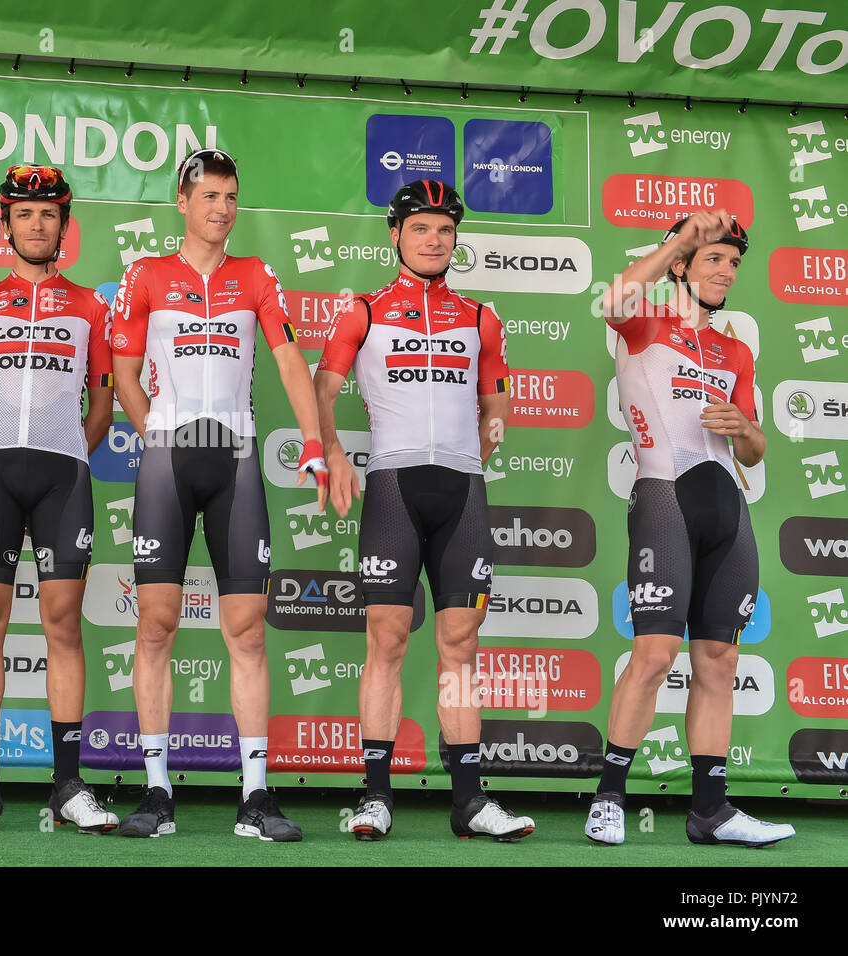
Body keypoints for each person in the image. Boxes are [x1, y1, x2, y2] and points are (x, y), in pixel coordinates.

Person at [109, 148, 327, 840]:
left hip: (236, 459)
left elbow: (291, 361)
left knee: (247, 631)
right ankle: (156, 792)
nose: (222, 209)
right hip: (170, 462)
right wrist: (155, 435)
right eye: (208, 197)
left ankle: (256, 798)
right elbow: (120, 369)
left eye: (231, 197)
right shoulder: (145, 275)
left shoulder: (257, 276)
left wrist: (315, 444)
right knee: (156, 626)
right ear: (182, 201)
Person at [315, 180, 534, 842]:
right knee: (385, 639)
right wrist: (333, 453)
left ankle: (469, 800)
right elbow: (323, 389)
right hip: (393, 488)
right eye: (420, 229)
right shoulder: (363, 310)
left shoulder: (480, 317)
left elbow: (497, 403)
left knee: (460, 645)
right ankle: (375, 796)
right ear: (395, 236)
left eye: (443, 229)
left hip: (463, 489)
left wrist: (481, 455)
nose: (433, 240)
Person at [586, 211, 795, 847]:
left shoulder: (735, 349)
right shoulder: (646, 323)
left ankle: (711, 811)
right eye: (713, 259)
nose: (726, 270)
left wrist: (747, 428)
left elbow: (756, 451)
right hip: (662, 498)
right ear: (680, 265)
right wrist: (677, 240)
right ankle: (610, 798)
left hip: (727, 508)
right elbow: (612, 300)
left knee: (720, 658)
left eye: (733, 262)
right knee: (653, 655)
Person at [0, 165, 118, 833]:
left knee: (63, 625)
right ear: (5, 223)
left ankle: (67, 785)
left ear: (63, 225)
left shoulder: (91, 306)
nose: (36, 224)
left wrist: (71, 452)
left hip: (63, 477)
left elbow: (102, 403)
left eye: (47, 214)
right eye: (23, 213)